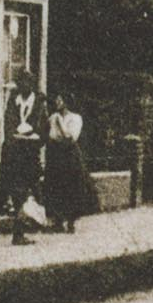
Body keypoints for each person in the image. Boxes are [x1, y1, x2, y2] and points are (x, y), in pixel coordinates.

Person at [0, 70, 48, 246]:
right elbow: (8, 124)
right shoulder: (13, 101)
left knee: (34, 190)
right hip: (14, 153)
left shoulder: (39, 103)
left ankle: (27, 225)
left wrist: (35, 138)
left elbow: (43, 127)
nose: (23, 87)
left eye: (27, 84)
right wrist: (14, 138)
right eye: (20, 84)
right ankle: (18, 233)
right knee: (18, 192)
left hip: (30, 153)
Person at [44, 92, 98, 233]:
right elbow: (50, 136)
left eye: (60, 100)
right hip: (56, 155)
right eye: (56, 100)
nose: (57, 102)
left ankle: (71, 221)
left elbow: (70, 137)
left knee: (71, 186)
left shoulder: (75, 118)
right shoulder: (52, 118)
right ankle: (58, 221)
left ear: (66, 102)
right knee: (56, 186)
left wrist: (59, 124)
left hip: (70, 156)